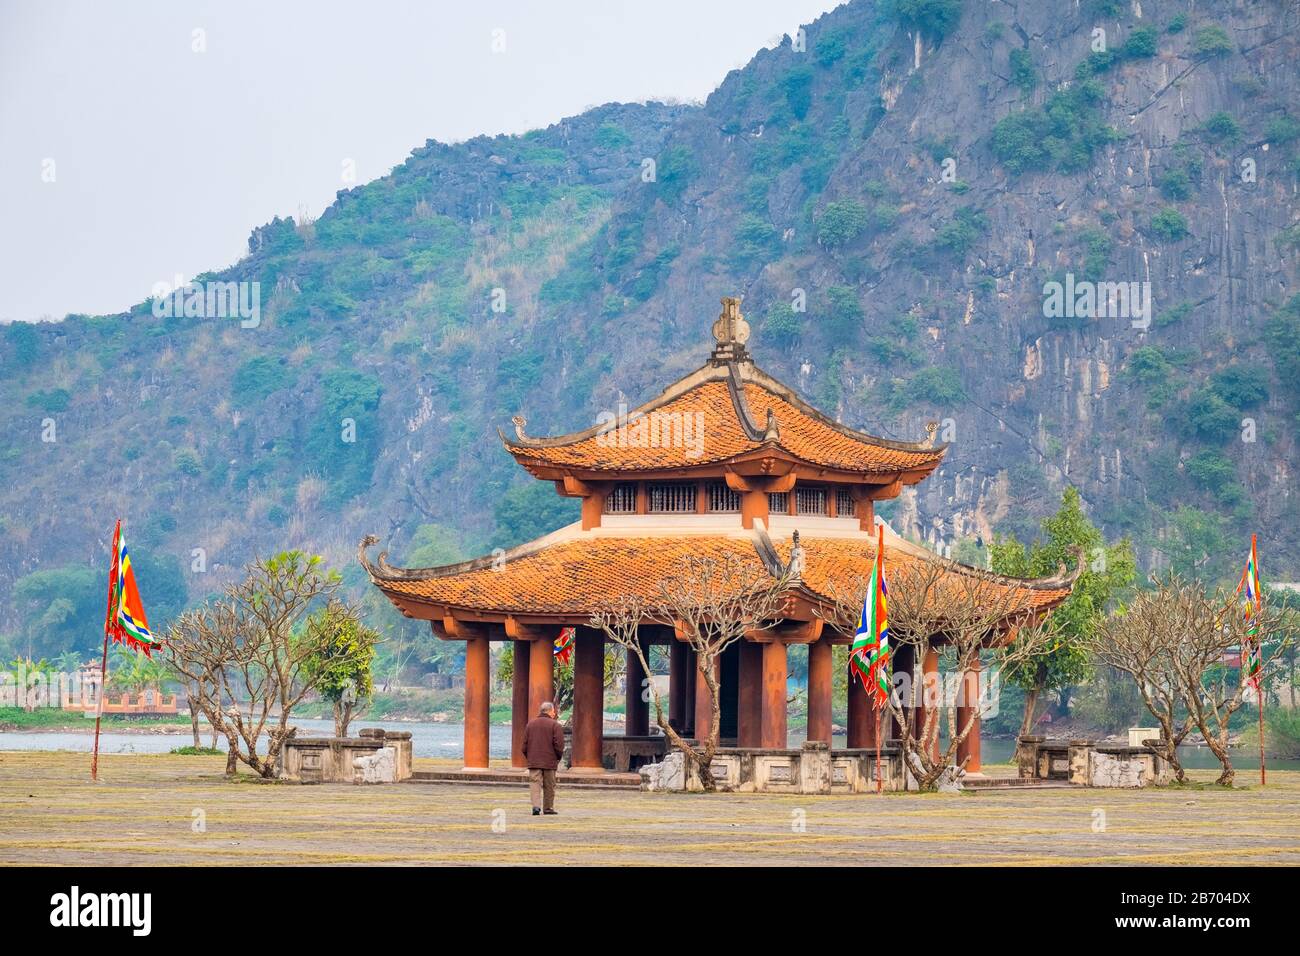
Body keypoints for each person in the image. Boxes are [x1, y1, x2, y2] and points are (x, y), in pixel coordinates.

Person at [522, 701, 565, 815]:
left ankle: (536, 807)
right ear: (550, 711)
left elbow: (524, 745)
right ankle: (548, 807)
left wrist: (529, 757)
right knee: (549, 785)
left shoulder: (530, 724)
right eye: (554, 711)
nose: (554, 714)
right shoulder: (555, 725)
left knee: (534, 784)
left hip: (534, 761)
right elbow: (559, 744)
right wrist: (557, 757)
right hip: (550, 761)